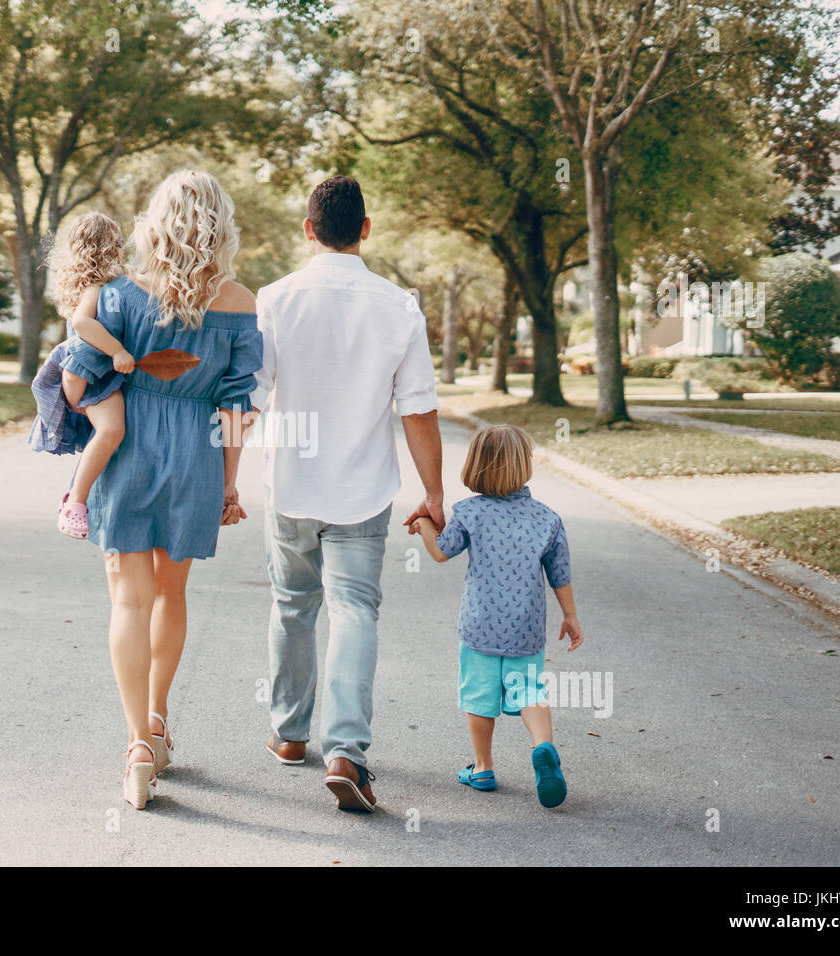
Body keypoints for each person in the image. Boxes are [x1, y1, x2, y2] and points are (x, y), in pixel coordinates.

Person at [67, 171, 262, 809]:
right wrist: (229, 484)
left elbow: (81, 378)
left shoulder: (119, 295)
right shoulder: (238, 302)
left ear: (154, 225)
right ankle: (156, 718)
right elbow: (238, 404)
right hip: (198, 456)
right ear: (222, 229)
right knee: (171, 594)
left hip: (128, 452)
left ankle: (137, 746)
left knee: (128, 600)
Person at [251, 176, 442, 813]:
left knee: (291, 605)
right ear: (365, 229)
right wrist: (435, 493)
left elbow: (247, 398)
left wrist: (224, 481)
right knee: (356, 611)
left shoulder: (274, 300)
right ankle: (346, 754)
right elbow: (418, 410)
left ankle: (287, 734)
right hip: (363, 491)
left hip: (291, 488)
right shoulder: (399, 305)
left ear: (309, 229)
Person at [412, 424, 583, 809]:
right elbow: (560, 573)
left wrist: (423, 524)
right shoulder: (547, 518)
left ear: (477, 465)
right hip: (526, 628)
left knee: (479, 696)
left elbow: (441, 552)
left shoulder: (469, 512)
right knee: (530, 693)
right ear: (524, 466)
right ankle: (543, 746)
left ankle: (483, 767)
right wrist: (570, 616)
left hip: (480, 627)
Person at [27, 212, 135, 538]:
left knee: (106, 436)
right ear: (104, 247)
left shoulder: (97, 285)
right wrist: (118, 350)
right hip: (91, 371)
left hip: (86, 372)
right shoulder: (97, 286)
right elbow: (84, 323)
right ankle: (75, 501)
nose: (121, 248)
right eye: (116, 242)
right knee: (112, 431)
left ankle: (83, 497)